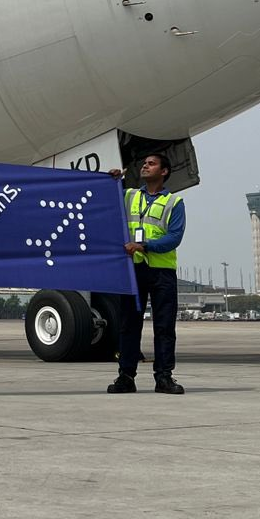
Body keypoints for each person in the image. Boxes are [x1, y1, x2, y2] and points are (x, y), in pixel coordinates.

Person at [105, 152, 186, 395]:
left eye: (151, 164)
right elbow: (106, 201)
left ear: (164, 171)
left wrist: (145, 246)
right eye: (144, 163)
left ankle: (163, 377)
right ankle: (126, 377)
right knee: (129, 325)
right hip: (133, 269)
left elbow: (175, 237)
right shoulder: (130, 195)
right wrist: (113, 181)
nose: (145, 166)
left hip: (162, 271)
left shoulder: (174, 202)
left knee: (164, 327)